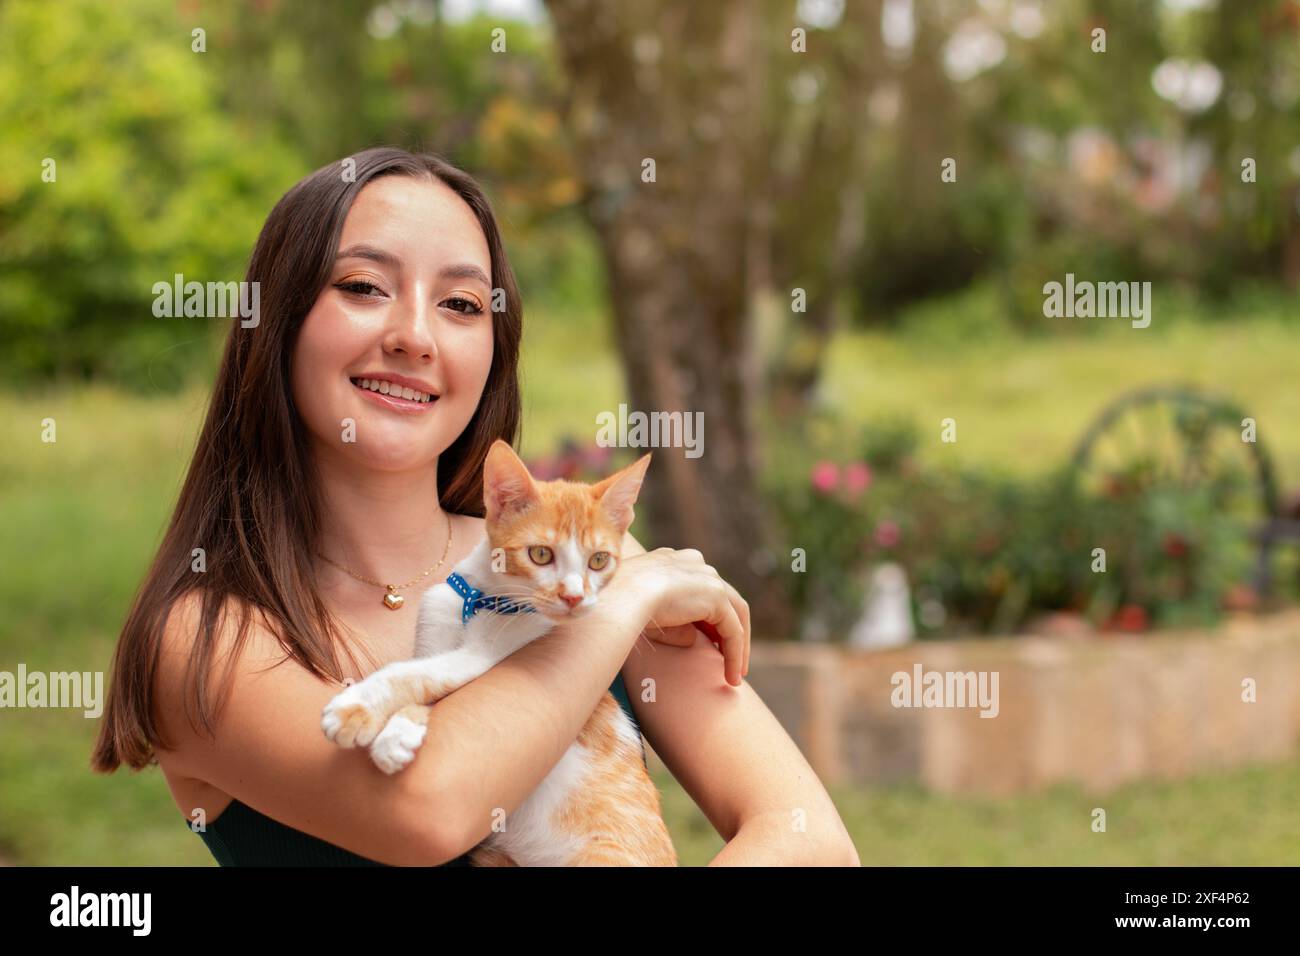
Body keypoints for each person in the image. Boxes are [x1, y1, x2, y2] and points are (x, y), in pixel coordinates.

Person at [90, 147, 858, 866]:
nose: (415, 336)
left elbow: (811, 839)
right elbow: (430, 811)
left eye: (460, 303)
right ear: (278, 321)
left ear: (494, 350)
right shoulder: (204, 637)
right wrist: (630, 601)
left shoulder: (584, 563)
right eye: (362, 287)